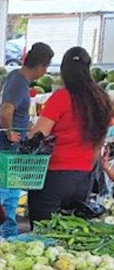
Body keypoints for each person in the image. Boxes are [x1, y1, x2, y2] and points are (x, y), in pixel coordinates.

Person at [27, 47, 113, 223]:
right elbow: (99, 141)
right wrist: (87, 167)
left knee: (44, 232)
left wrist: (26, 136)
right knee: (72, 230)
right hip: (84, 178)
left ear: (63, 71)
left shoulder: (61, 97)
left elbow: (38, 135)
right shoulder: (102, 100)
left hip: (53, 177)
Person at [0, 42, 54, 238]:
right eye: (46, 67)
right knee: (9, 190)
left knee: (2, 188)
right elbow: (6, 110)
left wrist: (11, 124)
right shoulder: (19, 83)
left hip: (2, 140)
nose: (45, 72)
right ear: (40, 66)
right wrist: (9, 131)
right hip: (9, 144)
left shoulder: (14, 76)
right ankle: (7, 233)